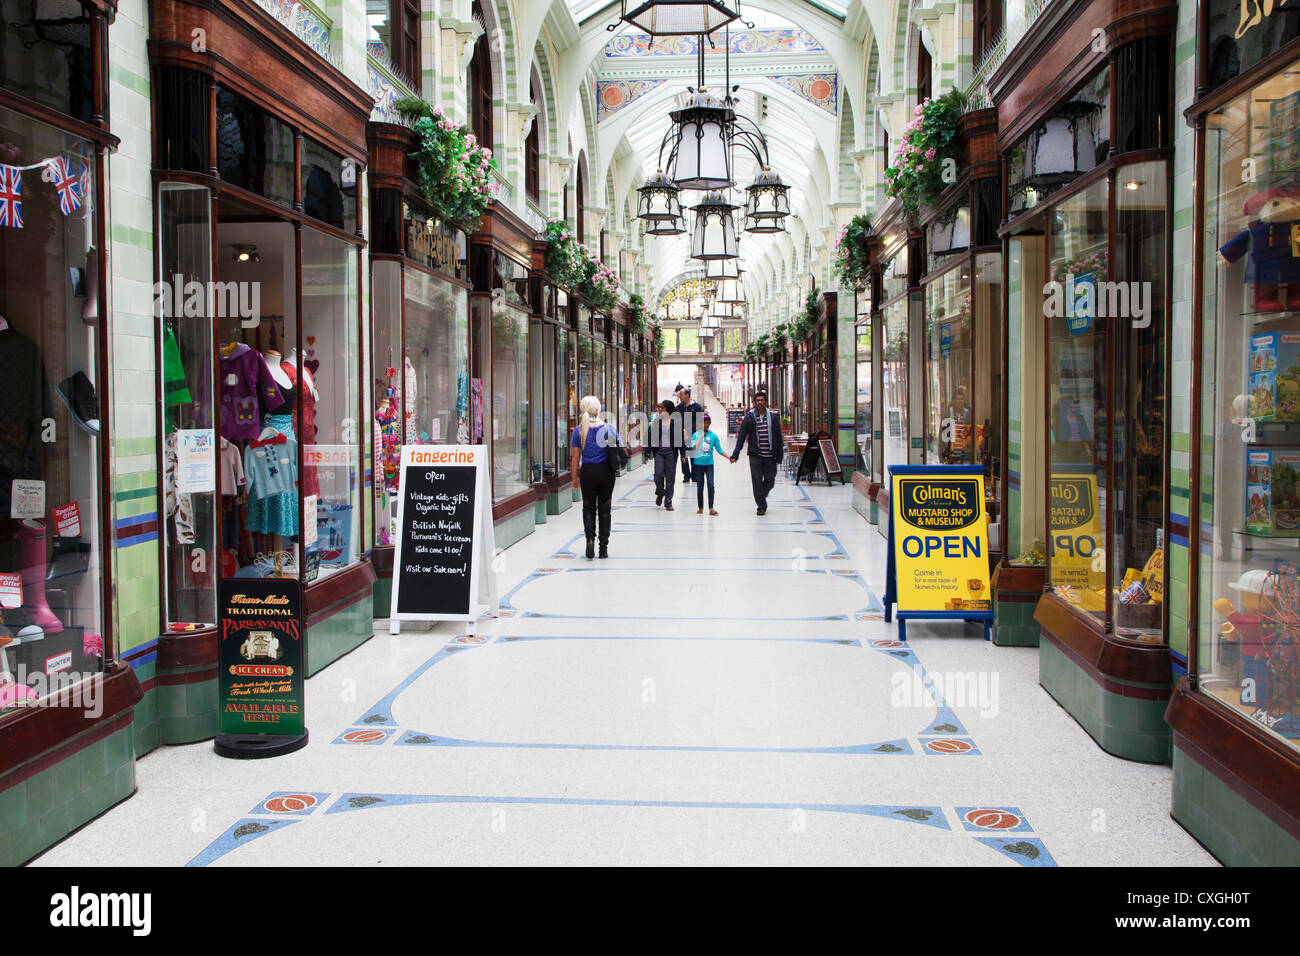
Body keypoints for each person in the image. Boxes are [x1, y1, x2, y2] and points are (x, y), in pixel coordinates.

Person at [569, 395, 620, 559]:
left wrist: (574, 478)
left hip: (588, 472)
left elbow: (575, 458)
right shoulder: (609, 428)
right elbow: (617, 449)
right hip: (605, 473)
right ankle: (603, 548)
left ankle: (589, 538)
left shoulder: (578, 430)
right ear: (598, 410)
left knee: (588, 507)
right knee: (605, 509)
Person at [730, 388, 784, 515]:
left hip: (770, 456)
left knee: (770, 480)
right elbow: (742, 436)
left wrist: (780, 455)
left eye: (762, 400)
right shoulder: (749, 418)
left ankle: (761, 496)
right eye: (757, 400)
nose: (759, 402)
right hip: (756, 456)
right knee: (756, 480)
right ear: (754, 402)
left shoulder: (773, 417)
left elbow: (778, 437)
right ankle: (761, 506)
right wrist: (735, 454)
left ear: (766, 402)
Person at [688, 413, 728, 515]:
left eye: (707, 423)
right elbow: (693, 448)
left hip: (709, 464)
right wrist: (700, 437)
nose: (705, 425)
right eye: (703, 423)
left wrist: (730, 458)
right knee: (700, 486)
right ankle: (700, 507)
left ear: (709, 424)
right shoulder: (695, 435)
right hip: (698, 464)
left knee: (711, 485)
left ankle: (711, 508)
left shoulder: (713, 436)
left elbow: (719, 450)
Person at [648, 398, 680, 511]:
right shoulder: (657, 421)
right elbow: (650, 437)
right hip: (659, 453)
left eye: (662, 408)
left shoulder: (675, 422)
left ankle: (668, 502)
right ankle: (660, 493)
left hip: (671, 453)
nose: (659, 409)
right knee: (658, 475)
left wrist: (684, 454)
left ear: (669, 410)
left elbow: (679, 439)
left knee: (670, 478)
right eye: (659, 407)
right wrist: (647, 452)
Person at [677, 387, 703, 483]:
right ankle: (686, 476)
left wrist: (688, 431)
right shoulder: (679, 408)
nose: (679, 396)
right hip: (682, 437)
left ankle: (695, 475)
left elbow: (699, 421)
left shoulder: (697, 407)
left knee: (693, 456)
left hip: (693, 436)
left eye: (681, 394)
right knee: (683, 456)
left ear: (687, 395)